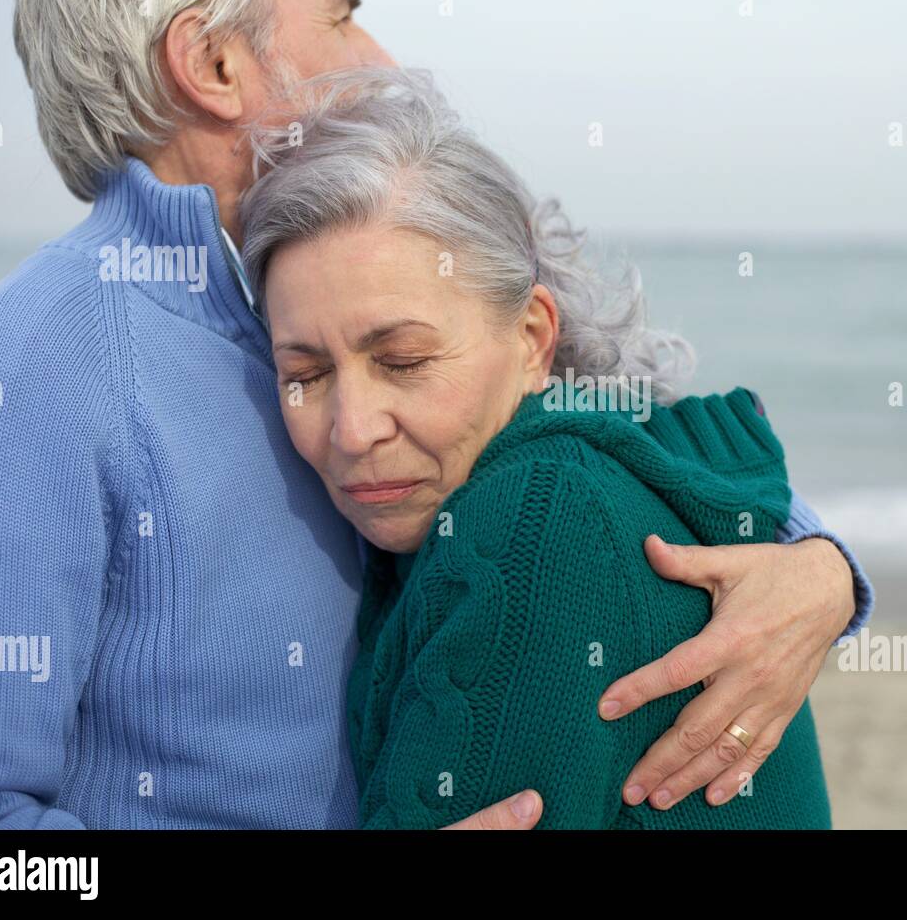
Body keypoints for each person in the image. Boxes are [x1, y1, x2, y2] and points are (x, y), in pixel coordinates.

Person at [0, 0, 871, 829]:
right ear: (214, 64)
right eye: (344, 16)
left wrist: (818, 571)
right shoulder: (29, 368)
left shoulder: (318, 285)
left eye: (397, 360)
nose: (382, 61)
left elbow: (600, 429)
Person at [243, 66, 835, 827]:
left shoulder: (537, 512)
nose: (353, 429)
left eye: (404, 361)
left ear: (531, 339)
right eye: (306, 373)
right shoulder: (579, 465)